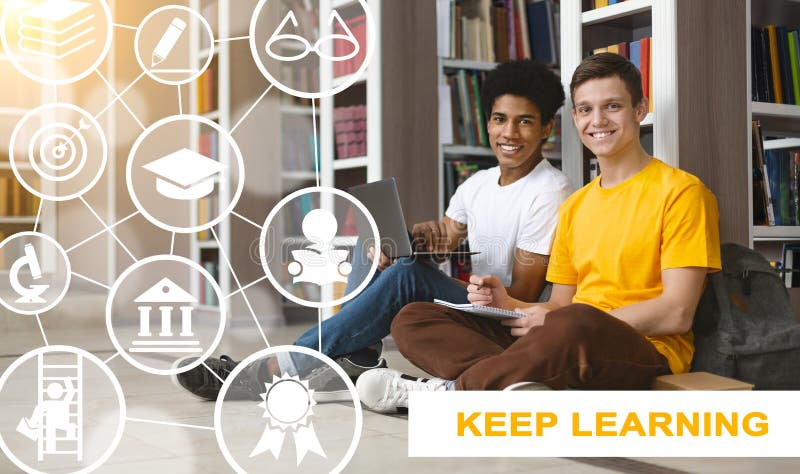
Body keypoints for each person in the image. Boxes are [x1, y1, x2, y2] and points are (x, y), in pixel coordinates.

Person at [173, 59, 573, 401]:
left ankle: (274, 368)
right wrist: (401, 242)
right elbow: (444, 237)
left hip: (511, 322)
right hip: (476, 304)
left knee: (406, 276)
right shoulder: (479, 183)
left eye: (524, 122)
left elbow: (520, 297)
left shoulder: (549, 191)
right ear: (488, 122)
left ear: (546, 129)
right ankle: (356, 358)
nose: (509, 133)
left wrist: (411, 266)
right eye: (500, 119)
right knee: (379, 248)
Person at [356, 52, 722, 413]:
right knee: (413, 319)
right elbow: (559, 305)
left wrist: (563, 321)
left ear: (640, 109)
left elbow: (676, 312)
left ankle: (452, 393)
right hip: (565, 338)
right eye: (585, 109)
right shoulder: (576, 206)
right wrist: (509, 305)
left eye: (612, 106)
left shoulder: (681, 193)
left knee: (577, 321)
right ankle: (522, 387)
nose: (597, 120)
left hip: (643, 349)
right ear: (575, 118)